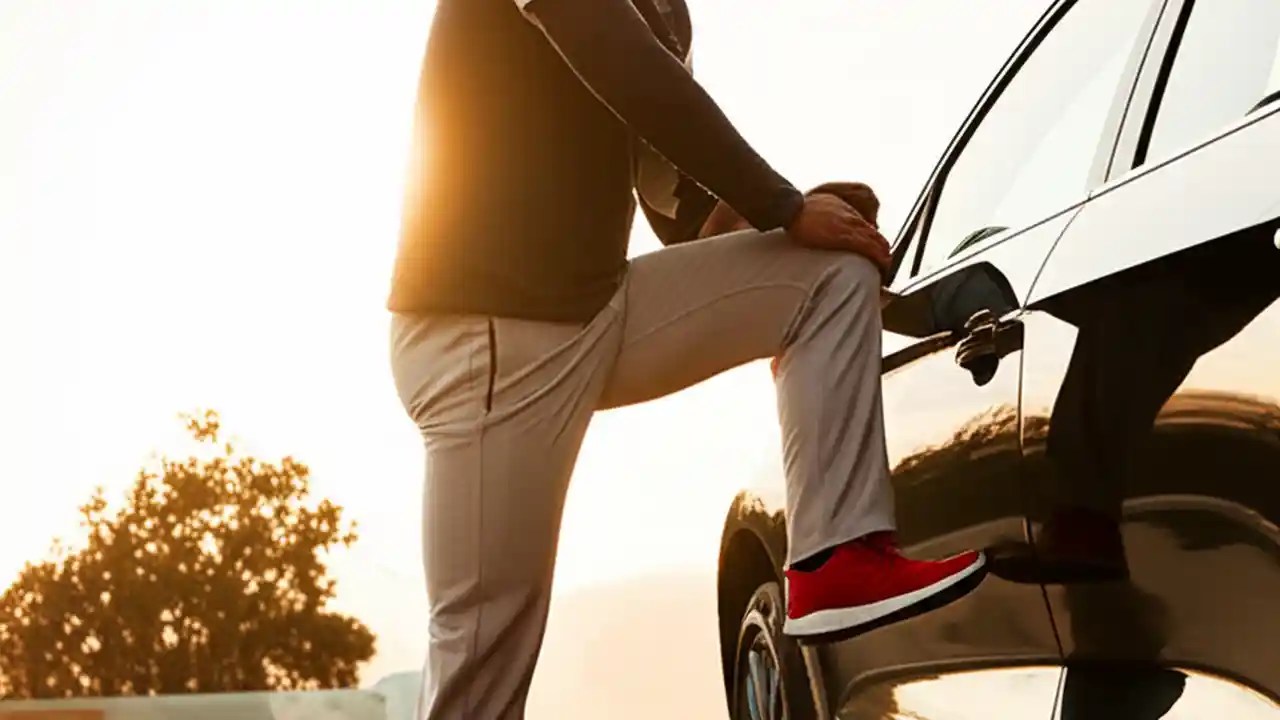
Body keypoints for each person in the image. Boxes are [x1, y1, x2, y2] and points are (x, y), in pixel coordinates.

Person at [386, 0, 986, 716]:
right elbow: (610, 52)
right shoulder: (622, 27)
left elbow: (684, 212)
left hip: (592, 310)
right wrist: (783, 205)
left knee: (826, 279)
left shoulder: (665, 11)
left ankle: (837, 558)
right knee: (486, 644)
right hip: (486, 331)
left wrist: (807, 223)